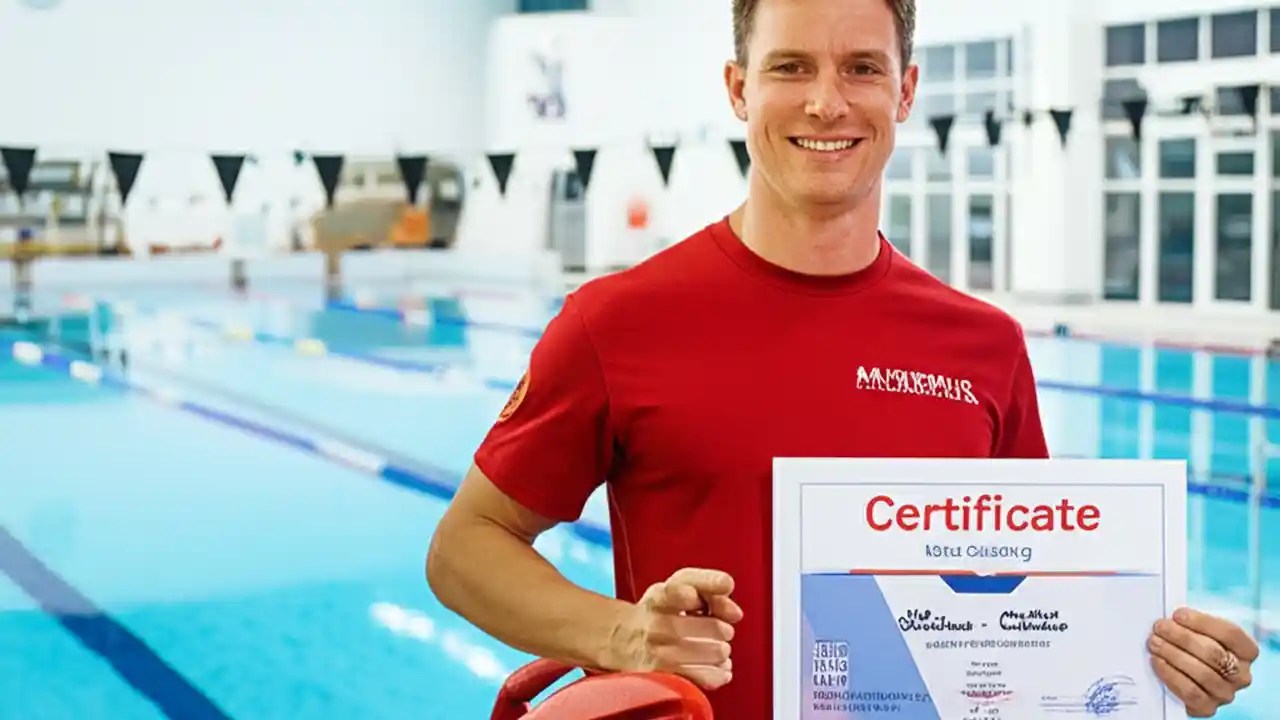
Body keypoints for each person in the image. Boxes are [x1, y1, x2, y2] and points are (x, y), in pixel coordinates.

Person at [426, 0, 1260, 717]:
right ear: (738, 87)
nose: (827, 103)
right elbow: (466, 546)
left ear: (905, 90)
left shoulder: (985, 346)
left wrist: (1160, 665)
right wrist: (619, 632)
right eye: (791, 67)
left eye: (862, 68)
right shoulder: (617, 323)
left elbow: (1022, 610)